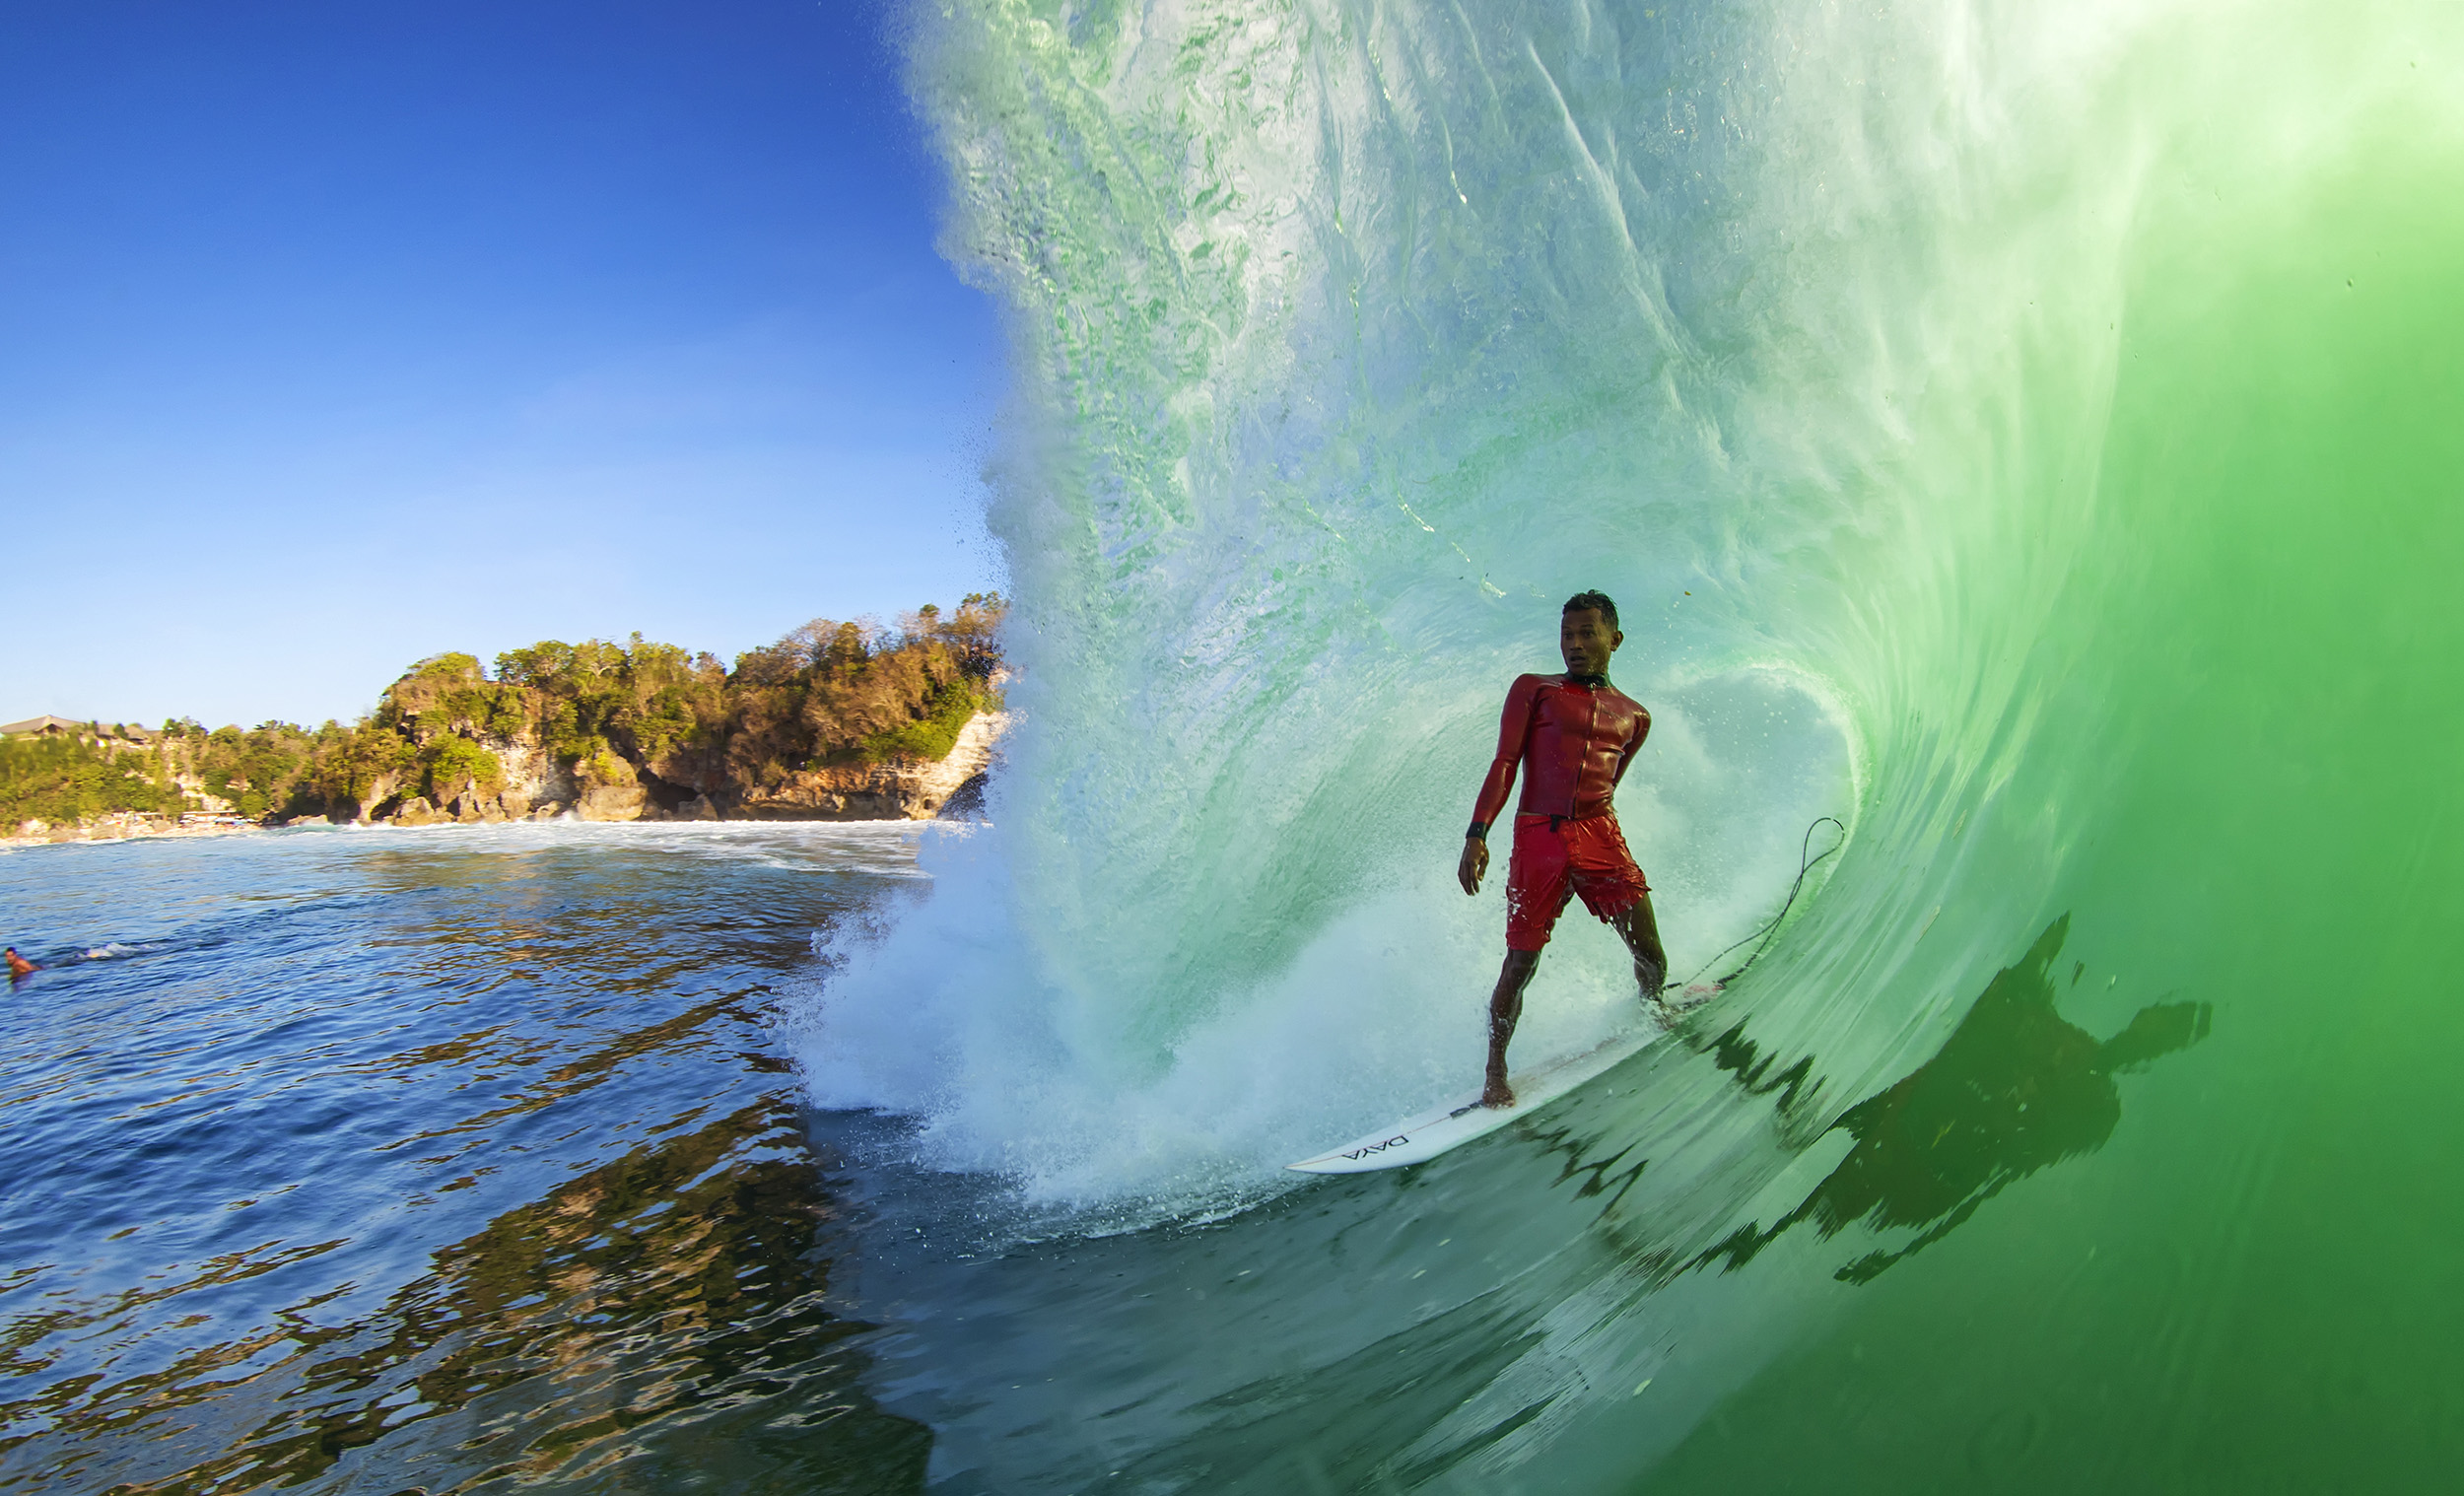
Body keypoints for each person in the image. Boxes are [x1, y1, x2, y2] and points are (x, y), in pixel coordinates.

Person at [1457, 590, 1669, 1108]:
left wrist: (1594, 828)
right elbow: (1506, 762)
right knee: (1520, 964)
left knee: (1652, 957)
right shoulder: (1535, 689)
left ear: (1613, 640)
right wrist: (1477, 833)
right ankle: (1494, 1071)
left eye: (1587, 634)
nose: (1574, 645)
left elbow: (1609, 783)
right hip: (1539, 841)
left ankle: (1653, 1008)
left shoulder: (1635, 716)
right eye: (1567, 635)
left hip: (1600, 834)